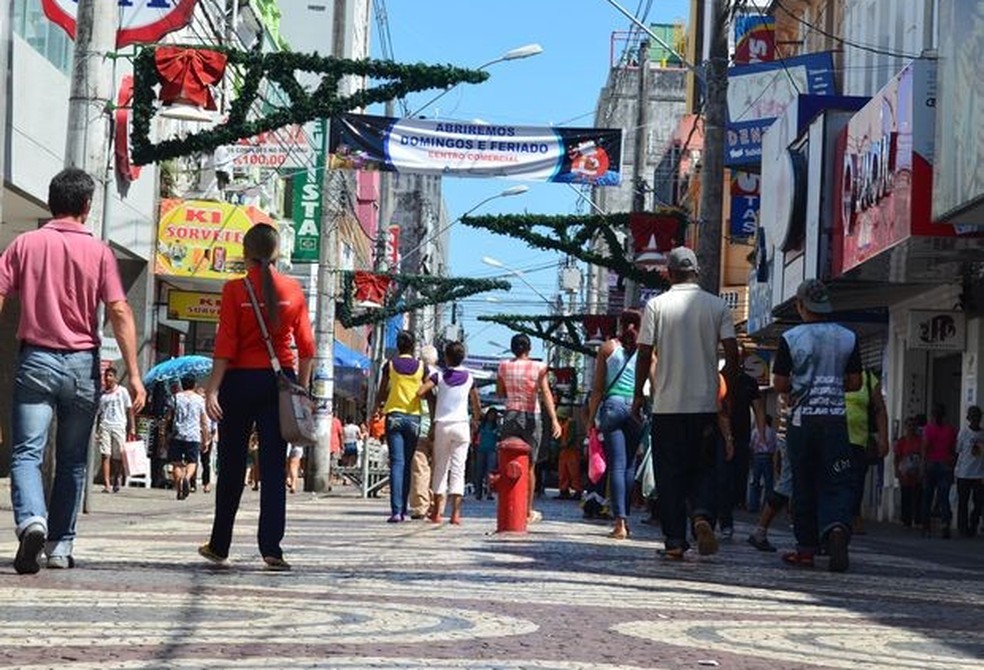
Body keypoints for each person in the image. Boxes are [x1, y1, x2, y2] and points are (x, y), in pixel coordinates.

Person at [0, 167, 146, 574]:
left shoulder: (25, 244)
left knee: (26, 452)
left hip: (36, 360)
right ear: (87, 206)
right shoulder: (99, 251)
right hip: (83, 365)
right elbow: (119, 309)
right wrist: (133, 373)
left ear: (50, 203)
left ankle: (32, 520)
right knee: (72, 461)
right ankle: (60, 545)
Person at [200, 223, 314, 571]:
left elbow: (226, 345)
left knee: (233, 464)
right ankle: (272, 548)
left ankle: (220, 544)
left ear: (245, 252)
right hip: (279, 384)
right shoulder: (294, 290)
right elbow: (308, 349)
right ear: (277, 252)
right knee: (273, 466)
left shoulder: (235, 289)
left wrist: (213, 388)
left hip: (239, 381)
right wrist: (301, 388)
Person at [632, 247, 739, 560]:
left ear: (669, 272)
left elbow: (643, 352)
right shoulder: (717, 306)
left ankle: (676, 541)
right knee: (704, 468)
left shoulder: (656, 306)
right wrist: (728, 392)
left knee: (670, 474)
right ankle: (703, 515)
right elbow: (732, 352)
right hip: (706, 404)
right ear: (697, 271)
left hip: (667, 406)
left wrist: (639, 393)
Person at [772, 279, 861, 572]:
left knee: (804, 484)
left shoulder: (791, 337)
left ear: (800, 306)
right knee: (837, 480)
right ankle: (836, 529)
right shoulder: (848, 337)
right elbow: (855, 382)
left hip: (802, 423)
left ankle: (806, 549)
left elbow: (781, 383)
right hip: (835, 421)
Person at [589, 309, 643, 540]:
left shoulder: (607, 348)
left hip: (612, 406)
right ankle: (626, 519)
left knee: (618, 466)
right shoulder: (646, 350)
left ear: (621, 324)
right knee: (630, 465)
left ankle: (619, 522)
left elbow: (598, 388)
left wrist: (591, 418)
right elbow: (655, 381)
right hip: (636, 409)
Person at [496, 334, 562, 523]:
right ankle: (527, 510)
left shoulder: (503, 366)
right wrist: (555, 420)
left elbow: (501, 393)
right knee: (530, 465)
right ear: (529, 349)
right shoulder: (539, 367)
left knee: (507, 461)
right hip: (532, 415)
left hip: (510, 415)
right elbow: (546, 393)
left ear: (512, 349)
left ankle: (507, 504)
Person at [419, 341, 482, 524]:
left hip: (442, 425)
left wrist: (435, 399)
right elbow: (476, 404)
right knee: (459, 469)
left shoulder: (438, 375)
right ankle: (455, 514)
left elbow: (421, 391)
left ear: (446, 357)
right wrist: (476, 419)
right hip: (462, 425)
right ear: (463, 358)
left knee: (441, 468)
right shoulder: (470, 378)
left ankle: (437, 513)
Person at [376, 330, 425, 523]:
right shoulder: (422, 367)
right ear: (413, 347)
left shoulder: (389, 366)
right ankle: (404, 510)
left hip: (394, 416)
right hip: (413, 418)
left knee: (397, 463)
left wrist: (375, 408)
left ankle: (396, 511)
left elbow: (382, 391)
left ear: (398, 346)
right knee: (407, 463)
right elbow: (428, 392)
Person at [720, 362, 766, 538]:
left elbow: (759, 408)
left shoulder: (749, 382)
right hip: (720, 437)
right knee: (722, 479)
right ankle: (723, 520)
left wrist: (761, 435)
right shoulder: (719, 378)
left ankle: (724, 515)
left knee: (738, 481)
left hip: (742, 438)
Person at [844, 368, 889, 534]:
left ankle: (854, 515)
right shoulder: (830, 372)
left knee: (856, 482)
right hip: (832, 439)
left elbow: (880, 410)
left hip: (858, 441)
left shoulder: (868, 378)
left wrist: (883, 439)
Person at [167, 374, 209, 500]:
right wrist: (205, 438)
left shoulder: (175, 398)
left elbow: (168, 416)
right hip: (194, 435)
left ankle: (179, 485)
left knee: (176, 463)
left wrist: (164, 434)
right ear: (194, 385)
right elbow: (204, 421)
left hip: (177, 434)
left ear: (181, 384)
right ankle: (187, 478)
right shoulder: (200, 400)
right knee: (192, 461)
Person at [409, 344, 438, 519]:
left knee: (420, 468)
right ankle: (435, 504)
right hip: (439, 426)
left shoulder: (416, 374)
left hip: (418, 424)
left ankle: (420, 506)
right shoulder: (442, 376)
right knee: (437, 468)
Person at [920, 403, 957, 539]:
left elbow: (924, 448)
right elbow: (954, 449)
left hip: (931, 464)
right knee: (943, 498)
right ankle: (945, 524)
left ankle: (926, 526)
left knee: (927, 497)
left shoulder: (928, 429)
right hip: (945, 465)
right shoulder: (951, 430)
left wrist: (922, 467)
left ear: (933, 415)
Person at [96, 366, 135, 494]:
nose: (108, 378)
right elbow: (99, 413)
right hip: (105, 426)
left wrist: (132, 427)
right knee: (105, 454)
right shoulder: (102, 395)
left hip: (119, 425)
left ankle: (117, 477)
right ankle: (107, 484)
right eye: (106, 376)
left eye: (110, 376)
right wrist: (97, 430)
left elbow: (129, 409)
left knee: (119, 455)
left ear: (115, 378)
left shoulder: (122, 391)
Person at [954, 405, 984, 537]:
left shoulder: (983, 434)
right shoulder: (964, 433)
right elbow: (958, 450)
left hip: (979, 473)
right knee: (963, 501)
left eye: (977, 417)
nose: (975, 420)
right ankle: (963, 527)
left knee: (979, 502)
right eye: (973, 417)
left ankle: (974, 523)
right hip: (965, 472)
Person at [894, 417, 924, 528]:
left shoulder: (920, 440)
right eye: (909, 425)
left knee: (918, 496)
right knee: (906, 497)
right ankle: (906, 520)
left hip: (917, 473)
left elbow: (923, 455)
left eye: (914, 425)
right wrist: (897, 471)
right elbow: (897, 457)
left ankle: (917, 519)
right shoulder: (902, 441)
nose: (912, 428)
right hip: (905, 474)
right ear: (906, 427)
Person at [747, 414, 778, 514]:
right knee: (769, 483)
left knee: (755, 482)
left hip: (757, 456)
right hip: (767, 457)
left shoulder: (756, 431)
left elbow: (751, 444)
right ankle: (767, 507)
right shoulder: (772, 432)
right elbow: (774, 447)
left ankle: (753, 505)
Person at [475, 408, 500, 500]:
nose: (491, 417)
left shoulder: (497, 426)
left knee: (490, 473)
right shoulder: (482, 425)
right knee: (479, 472)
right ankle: (478, 493)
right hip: (481, 449)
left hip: (492, 450)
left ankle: (489, 493)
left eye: (493, 415)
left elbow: (499, 438)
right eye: (490, 414)